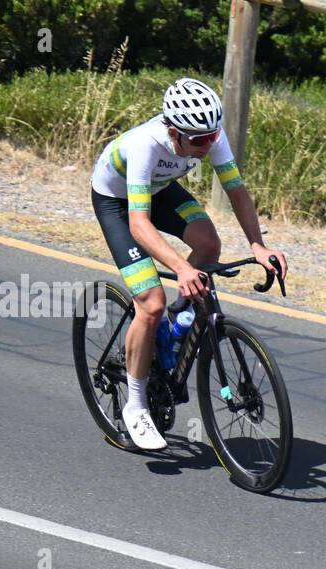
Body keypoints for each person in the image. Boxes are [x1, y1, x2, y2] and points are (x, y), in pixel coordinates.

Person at [90, 77, 287, 450]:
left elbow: (237, 192)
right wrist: (181, 268)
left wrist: (259, 246)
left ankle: (177, 324)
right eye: (197, 141)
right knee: (150, 302)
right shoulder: (145, 144)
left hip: (160, 192)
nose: (206, 146)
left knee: (209, 243)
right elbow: (138, 224)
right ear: (172, 131)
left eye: (211, 138)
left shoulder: (208, 133)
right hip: (117, 202)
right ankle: (135, 406)